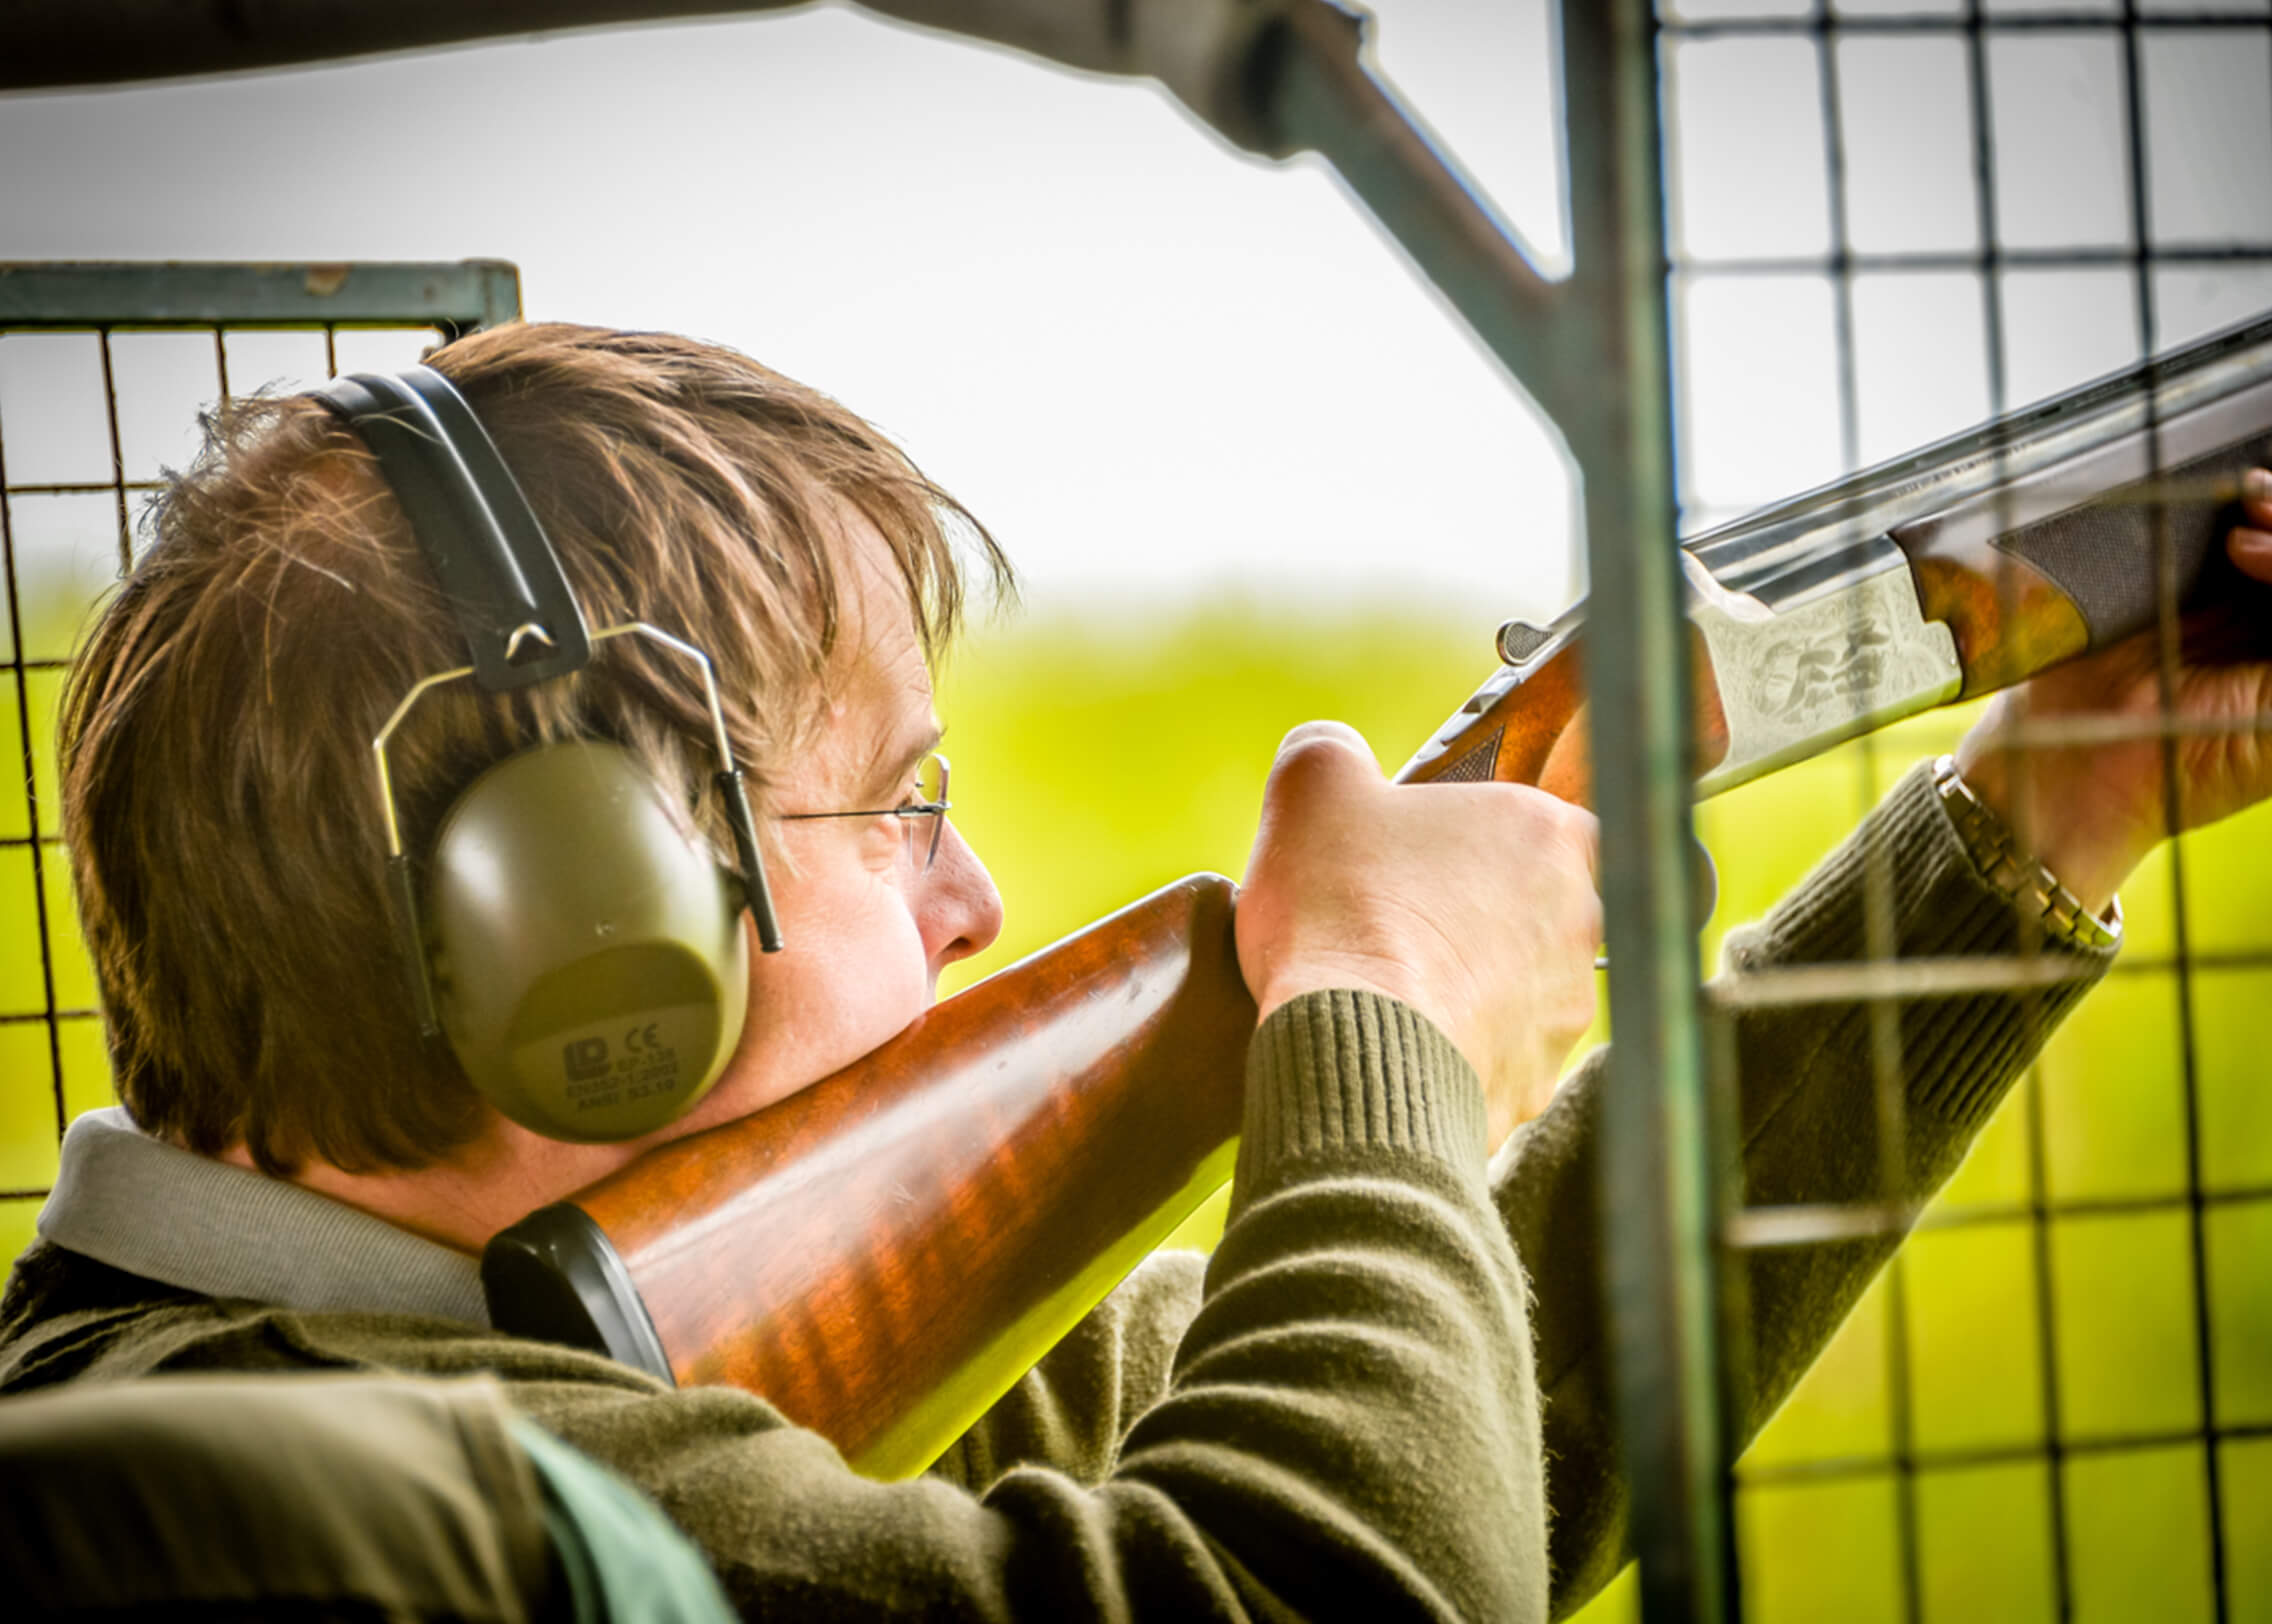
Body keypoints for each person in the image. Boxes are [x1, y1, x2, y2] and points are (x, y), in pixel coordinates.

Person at [0, 320, 2266, 1620]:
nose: (975, 895)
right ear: (584, 929)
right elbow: (1332, 1583)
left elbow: (1461, 1427)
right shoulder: (353, 1517)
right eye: (897, 803)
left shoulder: (486, 1361)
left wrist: (2026, 824)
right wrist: (1373, 1013)